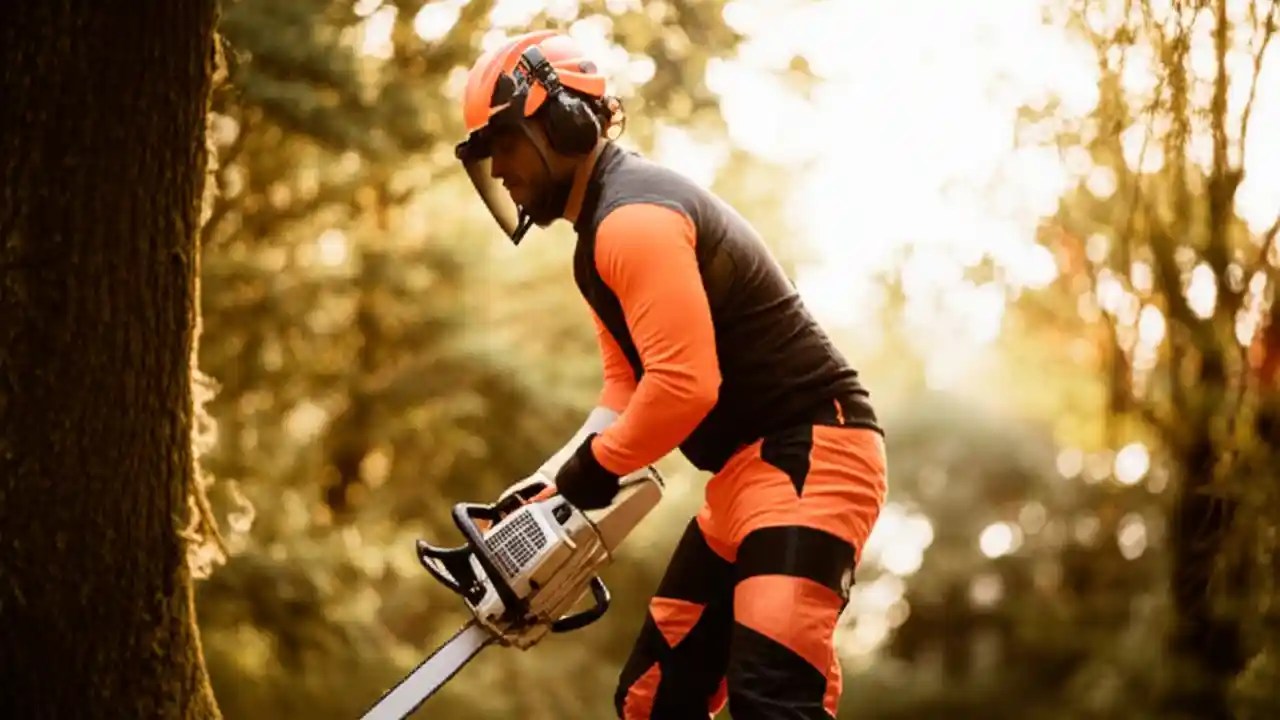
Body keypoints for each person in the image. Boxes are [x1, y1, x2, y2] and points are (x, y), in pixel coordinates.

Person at [453, 29, 889, 720]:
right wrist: (538, 494)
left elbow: (686, 387)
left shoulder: (635, 222)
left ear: (562, 120)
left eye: (503, 143)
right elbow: (625, 392)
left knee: (774, 698)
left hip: (814, 457)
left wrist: (589, 474)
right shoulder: (596, 243)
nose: (499, 169)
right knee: (654, 701)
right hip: (742, 479)